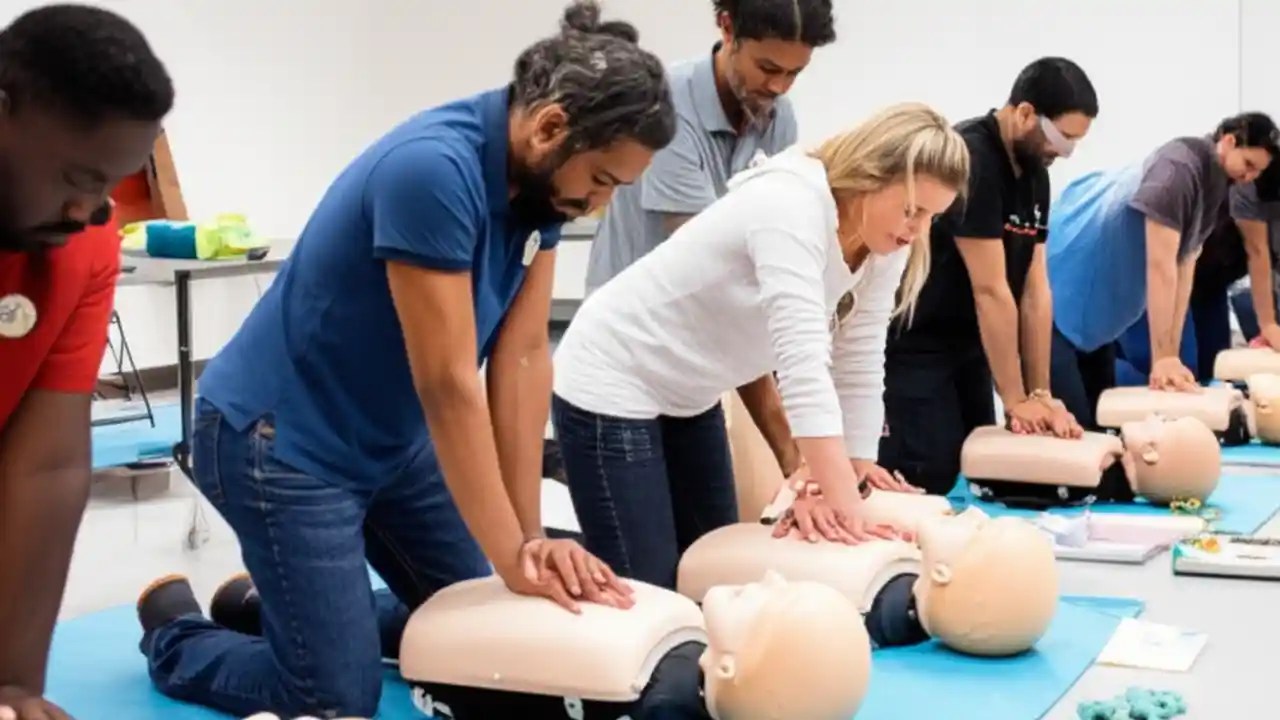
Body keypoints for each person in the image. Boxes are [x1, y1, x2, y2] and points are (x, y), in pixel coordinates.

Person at [132, 3, 676, 717]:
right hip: (281, 446)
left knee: (491, 621)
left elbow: (516, 360)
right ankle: (175, 626)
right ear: (550, 127)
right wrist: (510, 551)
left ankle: (272, 607)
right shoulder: (432, 171)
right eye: (603, 180)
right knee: (335, 698)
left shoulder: (545, 187)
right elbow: (449, 384)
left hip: (394, 444)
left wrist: (530, 542)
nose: (601, 202)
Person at [551, 103, 969, 590]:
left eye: (932, 218)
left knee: (712, 574)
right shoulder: (790, 206)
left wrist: (848, 477)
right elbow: (802, 366)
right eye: (912, 209)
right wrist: (846, 509)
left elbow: (860, 361)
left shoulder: (889, 242)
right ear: (870, 177)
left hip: (691, 394)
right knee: (649, 587)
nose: (917, 230)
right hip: (613, 376)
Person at [0, 6, 173, 719]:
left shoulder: (85, 245)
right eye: (77, 175)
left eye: (111, 185)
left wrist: (14, 687)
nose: (88, 209)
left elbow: (46, 467)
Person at [877, 58, 1096, 496]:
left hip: (969, 345)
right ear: (1025, 113)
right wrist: (1015, 399)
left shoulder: (1035, 173)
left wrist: (1040, 394)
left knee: (978, 459)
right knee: (927, 471)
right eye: (1062, 137)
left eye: (1076, 142)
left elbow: (1034, 290)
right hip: (919, 346)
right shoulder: (971, 158)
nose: (1065, 151)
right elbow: (990, 289)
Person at [582, 0, 836, 294]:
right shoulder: (666, 104)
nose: (778, 87)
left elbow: (775, 223)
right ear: (728, 28)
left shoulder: (779, 116)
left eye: (794, 73)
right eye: (767, 68)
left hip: (711, 316)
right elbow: (702, 245)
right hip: (633, 317)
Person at [1048, 112, 1280, 428]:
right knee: (1077, 425)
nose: (1250, 177)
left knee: (1099, 429)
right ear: (1229, 141)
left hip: (1103, 312)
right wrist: (1162, 358)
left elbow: (1185, 266)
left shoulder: (1212, 184)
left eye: (1258, 172)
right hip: (1064, 291)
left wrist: (1170, 356)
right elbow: (1161, 267)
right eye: (1249, 164)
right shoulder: (1177, 171)